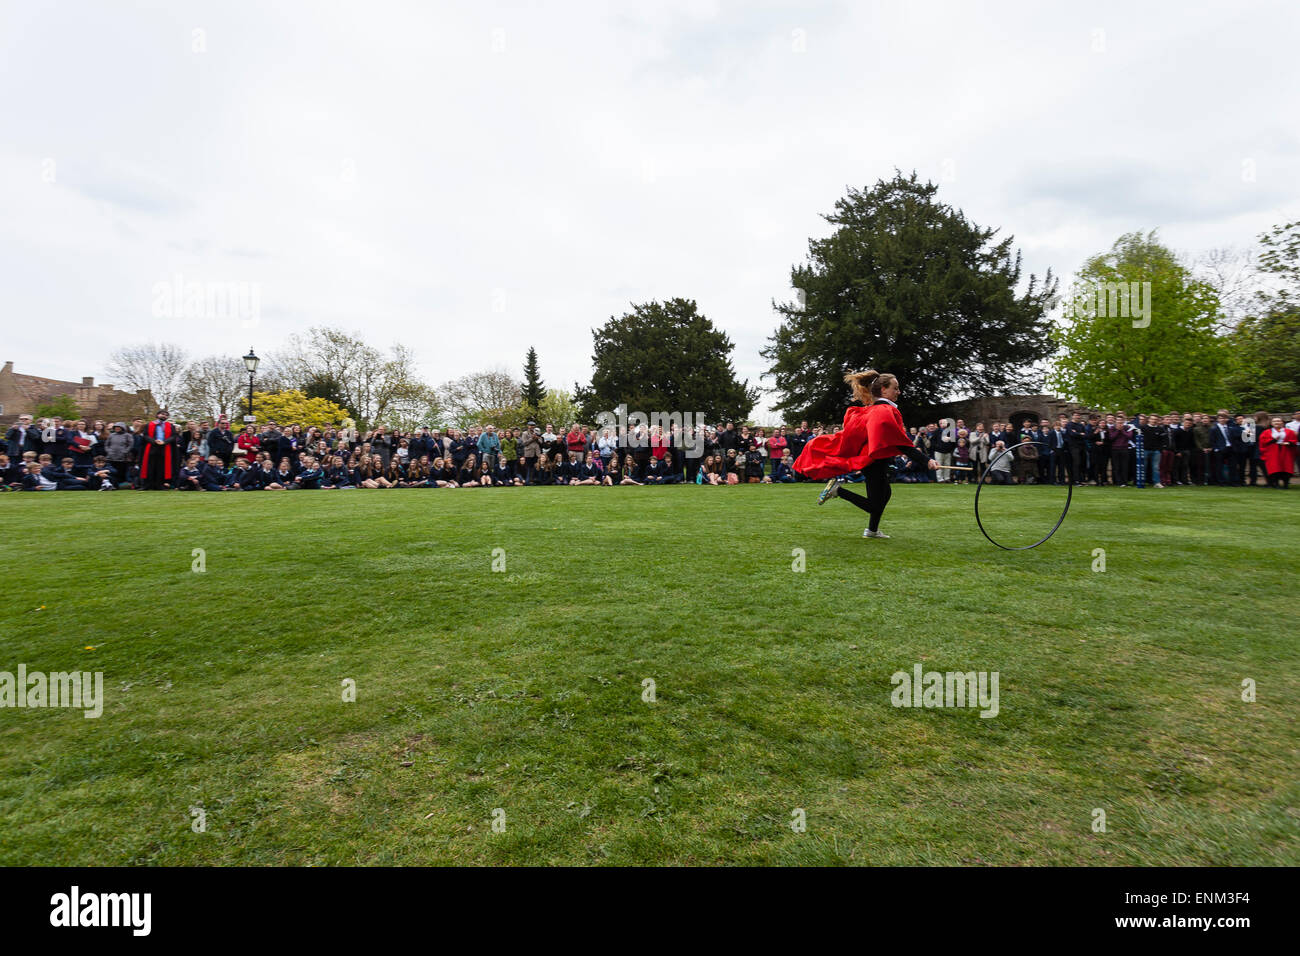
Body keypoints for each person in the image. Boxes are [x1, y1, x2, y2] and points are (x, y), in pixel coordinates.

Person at [795, 370, 937, 539]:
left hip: (876, 462)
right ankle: (838, 491)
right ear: (883, 390)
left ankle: (872, 530)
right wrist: (926, 461)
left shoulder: (875, 410)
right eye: (895, 388)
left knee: (885, 494)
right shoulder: (884, 411)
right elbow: (900, 442)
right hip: (873, 463)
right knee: (875, 505)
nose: (899, 392)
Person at [1259, 416, 1297, 489]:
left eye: (1279, 421)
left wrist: (1288, 443)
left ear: (1282, 422)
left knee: (1286, 467)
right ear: (1271, 423)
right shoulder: (1266, 432)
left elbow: (1294, 441)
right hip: (1272, 452)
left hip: (1286, 451)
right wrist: (1273, 440)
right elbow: (1262, 442)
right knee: (1274, 468)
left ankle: (1286, 484)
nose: (1277, 422)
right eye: (1275, 421)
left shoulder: (1289, 431)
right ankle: (1276, 484)